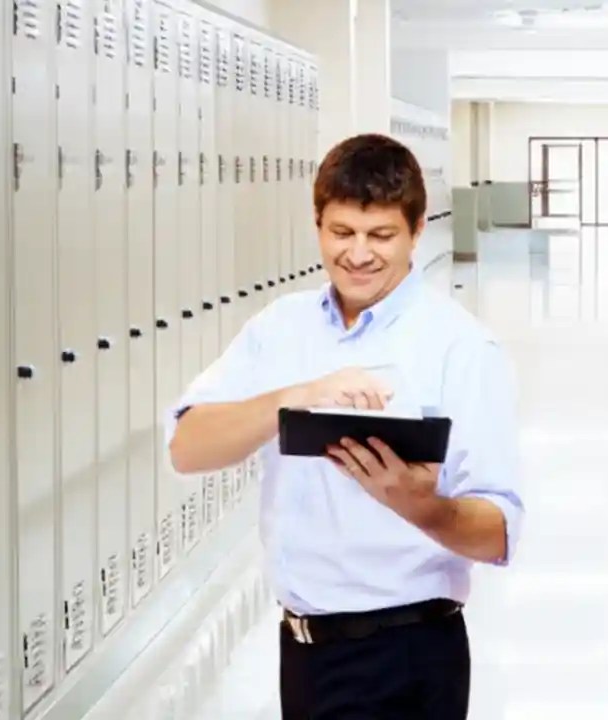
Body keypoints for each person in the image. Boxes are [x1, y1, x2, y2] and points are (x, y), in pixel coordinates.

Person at [165, 133, 524, 719]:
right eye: (342, 232)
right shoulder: (280, 329)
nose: (358, 254)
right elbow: (187, 447)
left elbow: (498, 534)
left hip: (407, 654)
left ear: (416, 230)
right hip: (305, 653)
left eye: (380, 235)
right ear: (318, 224)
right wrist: (295, 398)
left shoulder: (460, 348)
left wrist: (419, 505)